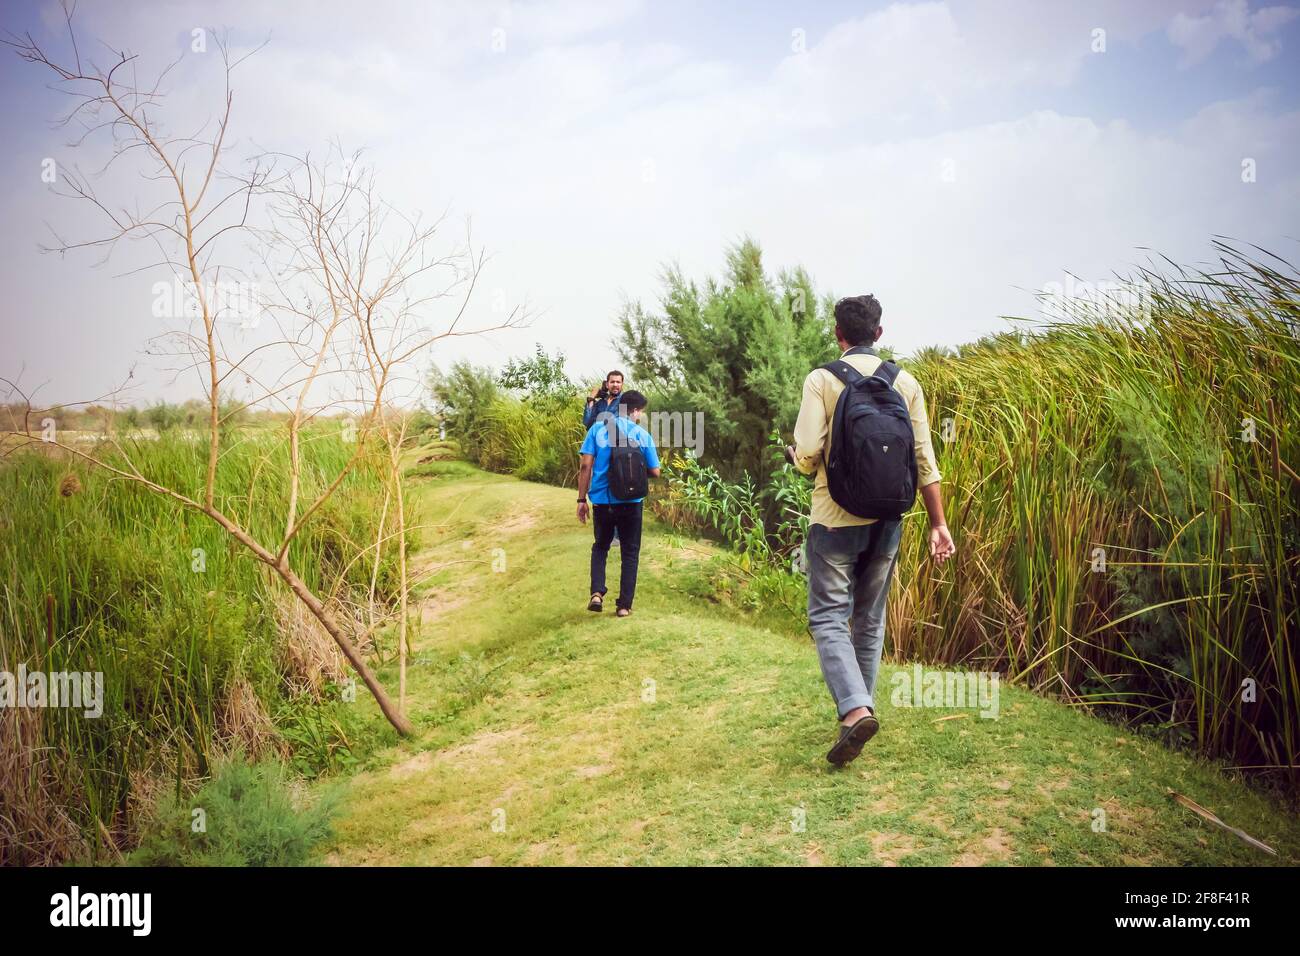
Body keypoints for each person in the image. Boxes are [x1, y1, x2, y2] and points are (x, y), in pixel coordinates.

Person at [790, 294, 956, 767]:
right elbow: (925, 460)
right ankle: (857, 717)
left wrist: (797, 459)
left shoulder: (822, 379)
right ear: (878, 334)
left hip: (834, 518)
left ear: (837, 334)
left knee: (826, 616)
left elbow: (806, 454)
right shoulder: (904, 381)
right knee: (869, 618)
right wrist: (939, 525)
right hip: (889, 520)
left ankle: (855, 709)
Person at [577, 390, 660, 617]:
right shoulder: (642, 435)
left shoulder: (596, 429)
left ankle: (596, 593)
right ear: (634, 411)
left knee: (601, 547)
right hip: (631, 501)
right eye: (640, 412)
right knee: (630, 552)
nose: (640, 416)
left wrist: (581, 499)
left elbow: (585, 467)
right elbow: (655, 471)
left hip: (603, 501)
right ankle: (624, 606)